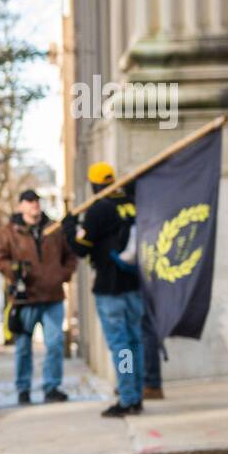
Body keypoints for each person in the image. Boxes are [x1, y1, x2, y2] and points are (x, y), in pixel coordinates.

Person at [63, 161, 143, 417]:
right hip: (135, 284)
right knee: (135, 342)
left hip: (111, 288)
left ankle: (128, 398)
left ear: (94, 184)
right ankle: (136, 394)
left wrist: (68, 228)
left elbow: (81, 248)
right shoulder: (131, 201)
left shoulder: (99, 209)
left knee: (121, 346)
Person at [0, 188, 76, 404]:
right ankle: (23, 388)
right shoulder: (9, 231)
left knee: (55, 343)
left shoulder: (54, 229)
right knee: (22, 347)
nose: (34, 205)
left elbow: (70, 256)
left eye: (36, 201)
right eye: (29, 201)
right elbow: (0, 258)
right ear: (21, 205)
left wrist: (62, 275)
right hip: (25, 299)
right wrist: (14, 270)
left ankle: (52, 387)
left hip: (52, 296)